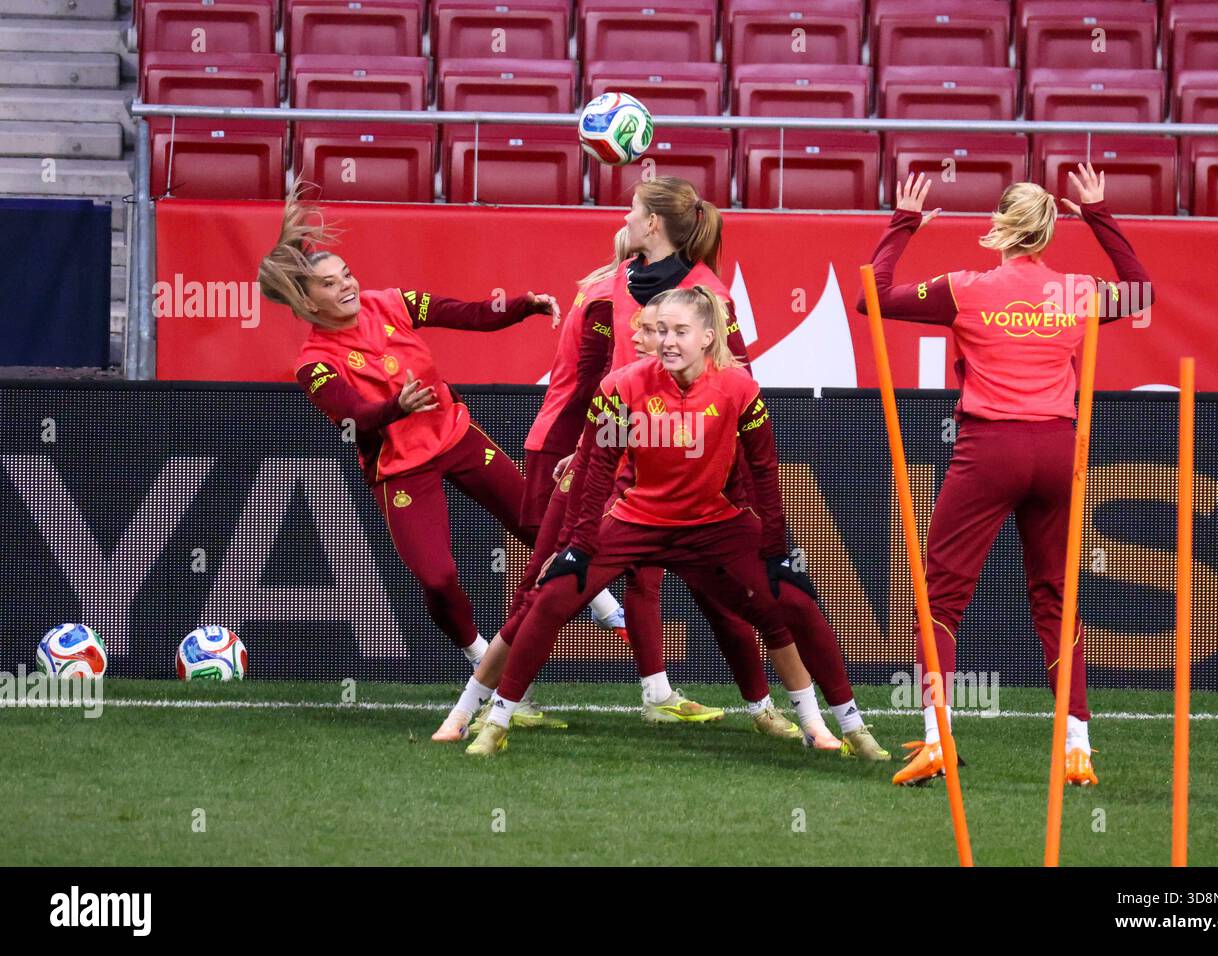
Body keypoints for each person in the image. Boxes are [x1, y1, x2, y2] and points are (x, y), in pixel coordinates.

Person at [464, 285, 890, 760]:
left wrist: (773, 548)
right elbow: (597, 468)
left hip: (714, 526)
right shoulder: (621, 385)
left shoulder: (739, 389)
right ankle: (495, 721)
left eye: (680, 331)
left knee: (796, 602)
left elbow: (765, 471)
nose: (667, 340)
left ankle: (852, 728)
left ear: (708, 337)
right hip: (636, 519)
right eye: (661, 330)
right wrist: (580, 543)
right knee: (552, 596)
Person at [858, 166, 1154, 787]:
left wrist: (903, 224)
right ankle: (1077, 743)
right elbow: (1140, 290)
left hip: (988, 449)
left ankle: (938, 739)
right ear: (1048, 233)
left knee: (940, 598)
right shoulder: (1076, 291)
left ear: (998, 225)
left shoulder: (963, 287)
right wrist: (1099, 214)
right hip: (1056, 449)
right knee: (1056, 596)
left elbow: (872, 295)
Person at [258, 180, 562, 721]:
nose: (347, 285)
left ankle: (620, 625)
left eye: (346, 273)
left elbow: (464, 313)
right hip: (401, 469)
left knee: (541, 528)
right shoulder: (314, 362)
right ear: (308, 301)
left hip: (457, 438)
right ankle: (482, 669)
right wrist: (397, 407)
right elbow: (355, 418)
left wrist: (522, 306)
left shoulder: (389, 303)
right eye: (331, 283)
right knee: (438, 578)